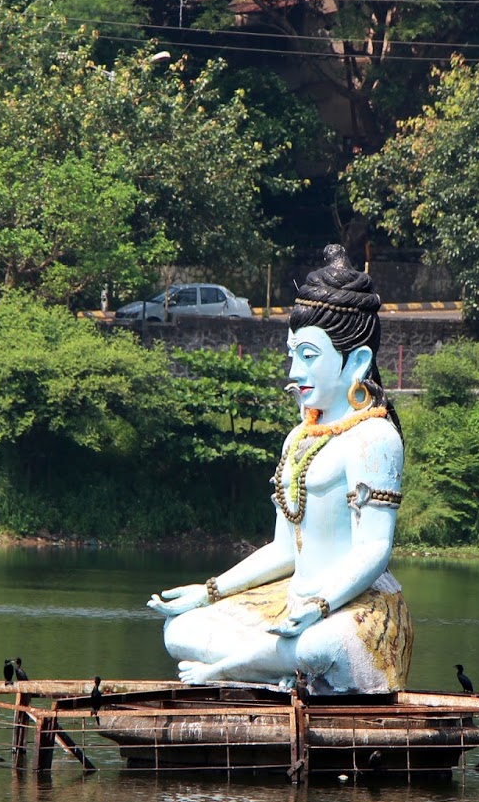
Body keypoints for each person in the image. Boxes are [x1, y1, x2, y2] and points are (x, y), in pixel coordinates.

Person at [147, 245, 412, 694]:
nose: (294, 371)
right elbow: (284, 550)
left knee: (315, 646)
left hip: (354, 609)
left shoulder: (374, 438)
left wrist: (322, 604)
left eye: (309, 355)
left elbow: (373, 551)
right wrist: (209, 591)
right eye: (293, 355)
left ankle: (240, 669)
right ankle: (269, 670)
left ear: (358, 362)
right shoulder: (298, 439)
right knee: (180, 630)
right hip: (293, 601)